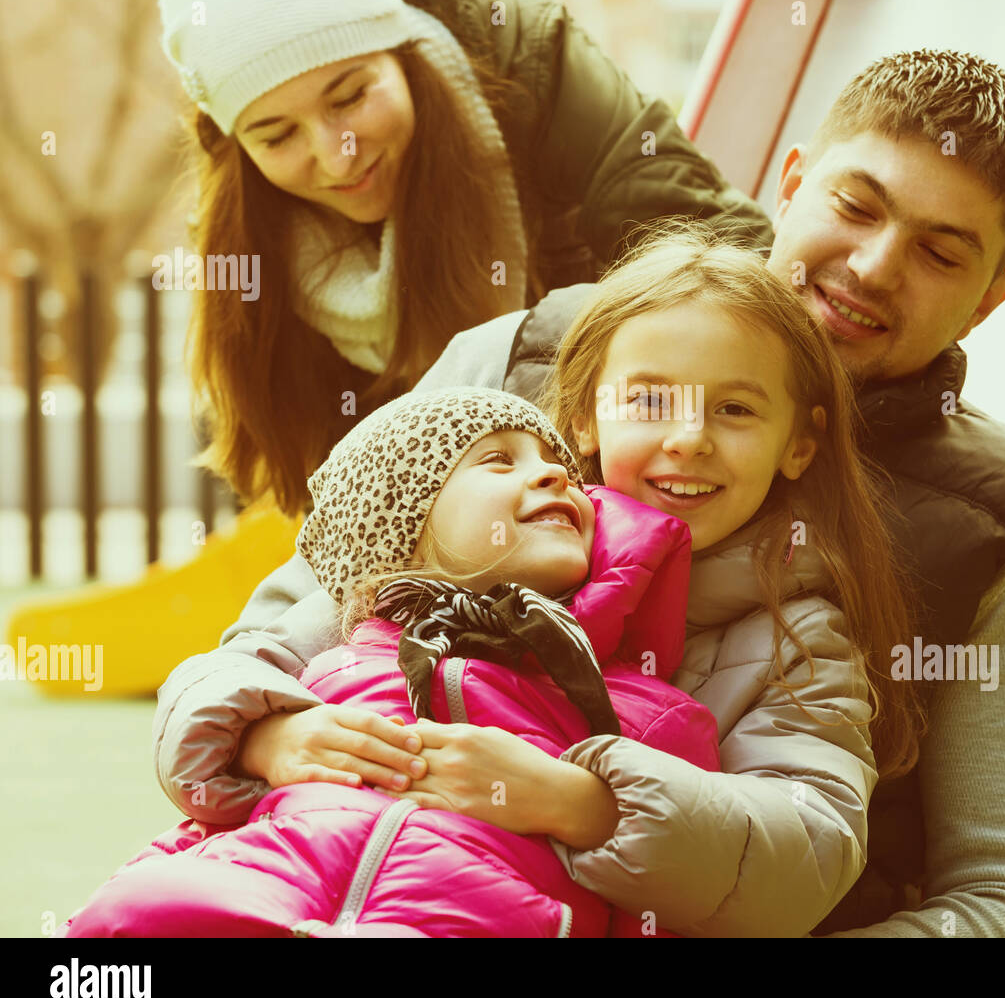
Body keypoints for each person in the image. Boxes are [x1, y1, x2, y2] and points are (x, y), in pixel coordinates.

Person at [164, 49, 1005, 937]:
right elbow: (272, 649)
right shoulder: (508, 366)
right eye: (856, 205)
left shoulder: (988, 541)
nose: (877, 264)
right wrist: (264, 738)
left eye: (940, 253)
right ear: (795, 179)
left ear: (988, 301)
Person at [148, 237, 922, 937]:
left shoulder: (796, 636)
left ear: (800, 444)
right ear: (587, 419)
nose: (689, 437)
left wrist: (577, 802)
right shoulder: (485, 546)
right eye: (650, 401)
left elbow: (808, 850)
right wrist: (264, 736)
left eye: (735, 408)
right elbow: (239, 665)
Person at [155, 0, 767, 515]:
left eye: (351, 96)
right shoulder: (248, 236)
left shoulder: (537, 73)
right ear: (239, 149)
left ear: (402, 53)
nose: (337, 153)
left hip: (640, 499)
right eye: (278, 134)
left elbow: (722, 271)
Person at [66, 388, 724, 937]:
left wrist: (579, 806)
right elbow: (202, 813)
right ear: (400, 533)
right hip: (267, 895)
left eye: (560, 465)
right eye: (498, 460)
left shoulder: (632, 709)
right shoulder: (328, 667)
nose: (557, 474)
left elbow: (687, 865)